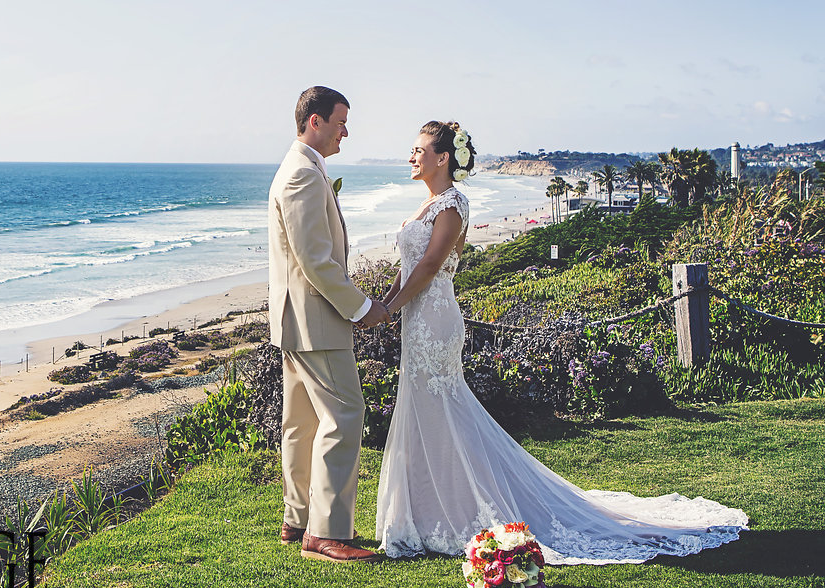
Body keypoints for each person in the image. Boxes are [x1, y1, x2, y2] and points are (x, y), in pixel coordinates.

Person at [374, 121, 748, 563]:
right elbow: (409, 264)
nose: (411, 157)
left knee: (442, 409)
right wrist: (384, 304)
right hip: (416, 321)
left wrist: (391, 308)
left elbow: (433, 264)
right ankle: (426, 511)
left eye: (419, 150)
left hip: (435, 322)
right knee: (423, 410)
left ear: (442, 158)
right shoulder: (426, 205)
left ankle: (463, 512)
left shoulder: (453, 205)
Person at [267, 86, 390, 563]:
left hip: (295, 321)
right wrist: (361, 308)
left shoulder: (301, 169)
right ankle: (326, 532)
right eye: (340, 121)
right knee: (343, 415)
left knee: (300, 422)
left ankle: (296, 517)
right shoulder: (302, 175)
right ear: (314, 121)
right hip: (316, 321)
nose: (346, 131)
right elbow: (316, 261)